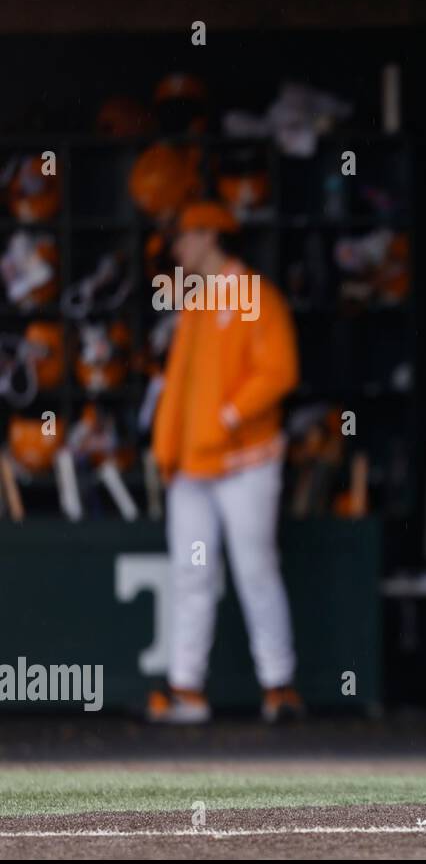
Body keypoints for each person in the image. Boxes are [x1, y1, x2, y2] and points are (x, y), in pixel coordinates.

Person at [148, 201, 304, 725]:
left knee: (255, 569)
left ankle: (278, 685)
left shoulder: (253, 294)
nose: (177, 249)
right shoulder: (194, 301)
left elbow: (279, 370)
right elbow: (178, 386)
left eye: (185, 237)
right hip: (193, 468)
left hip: (245, 462)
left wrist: (230, 415)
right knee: (191, 575)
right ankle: (186, 689)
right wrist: (166, 447)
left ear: (210, 235)